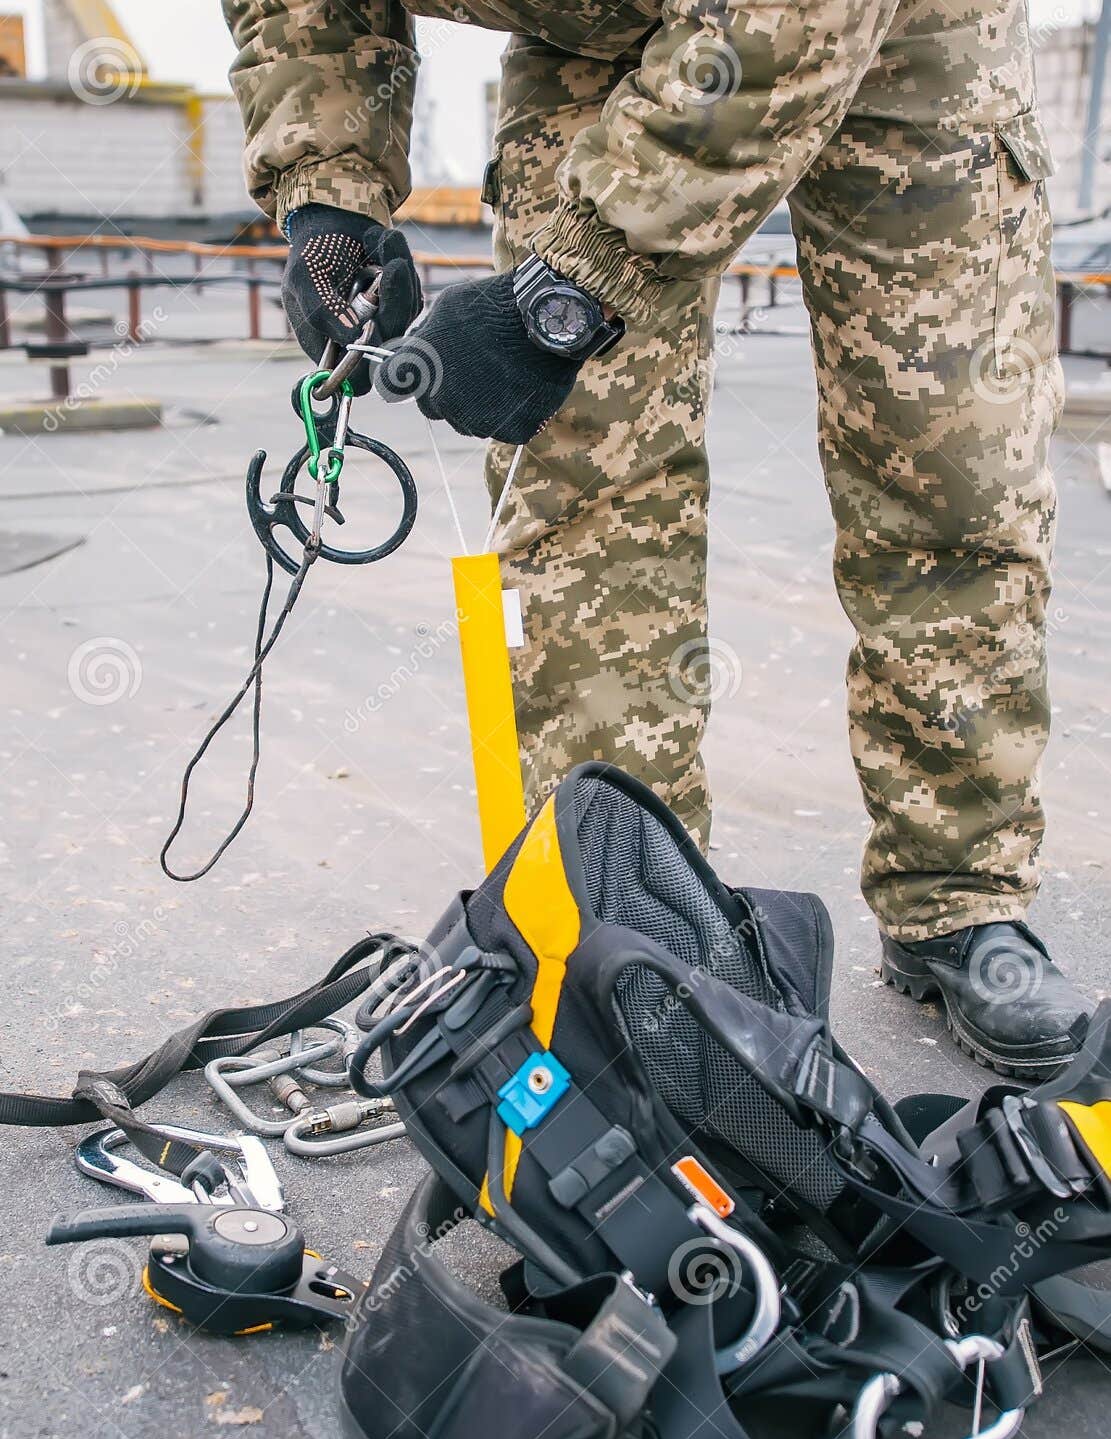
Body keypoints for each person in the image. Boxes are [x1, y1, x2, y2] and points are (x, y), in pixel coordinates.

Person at [223, 0, 1096, 1079]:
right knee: (582, 491)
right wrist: (328, 187)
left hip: (903, 34)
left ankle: (957, 898)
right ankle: (639, 930)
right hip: (591, 38)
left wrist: (573, 288)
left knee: (951, 470)